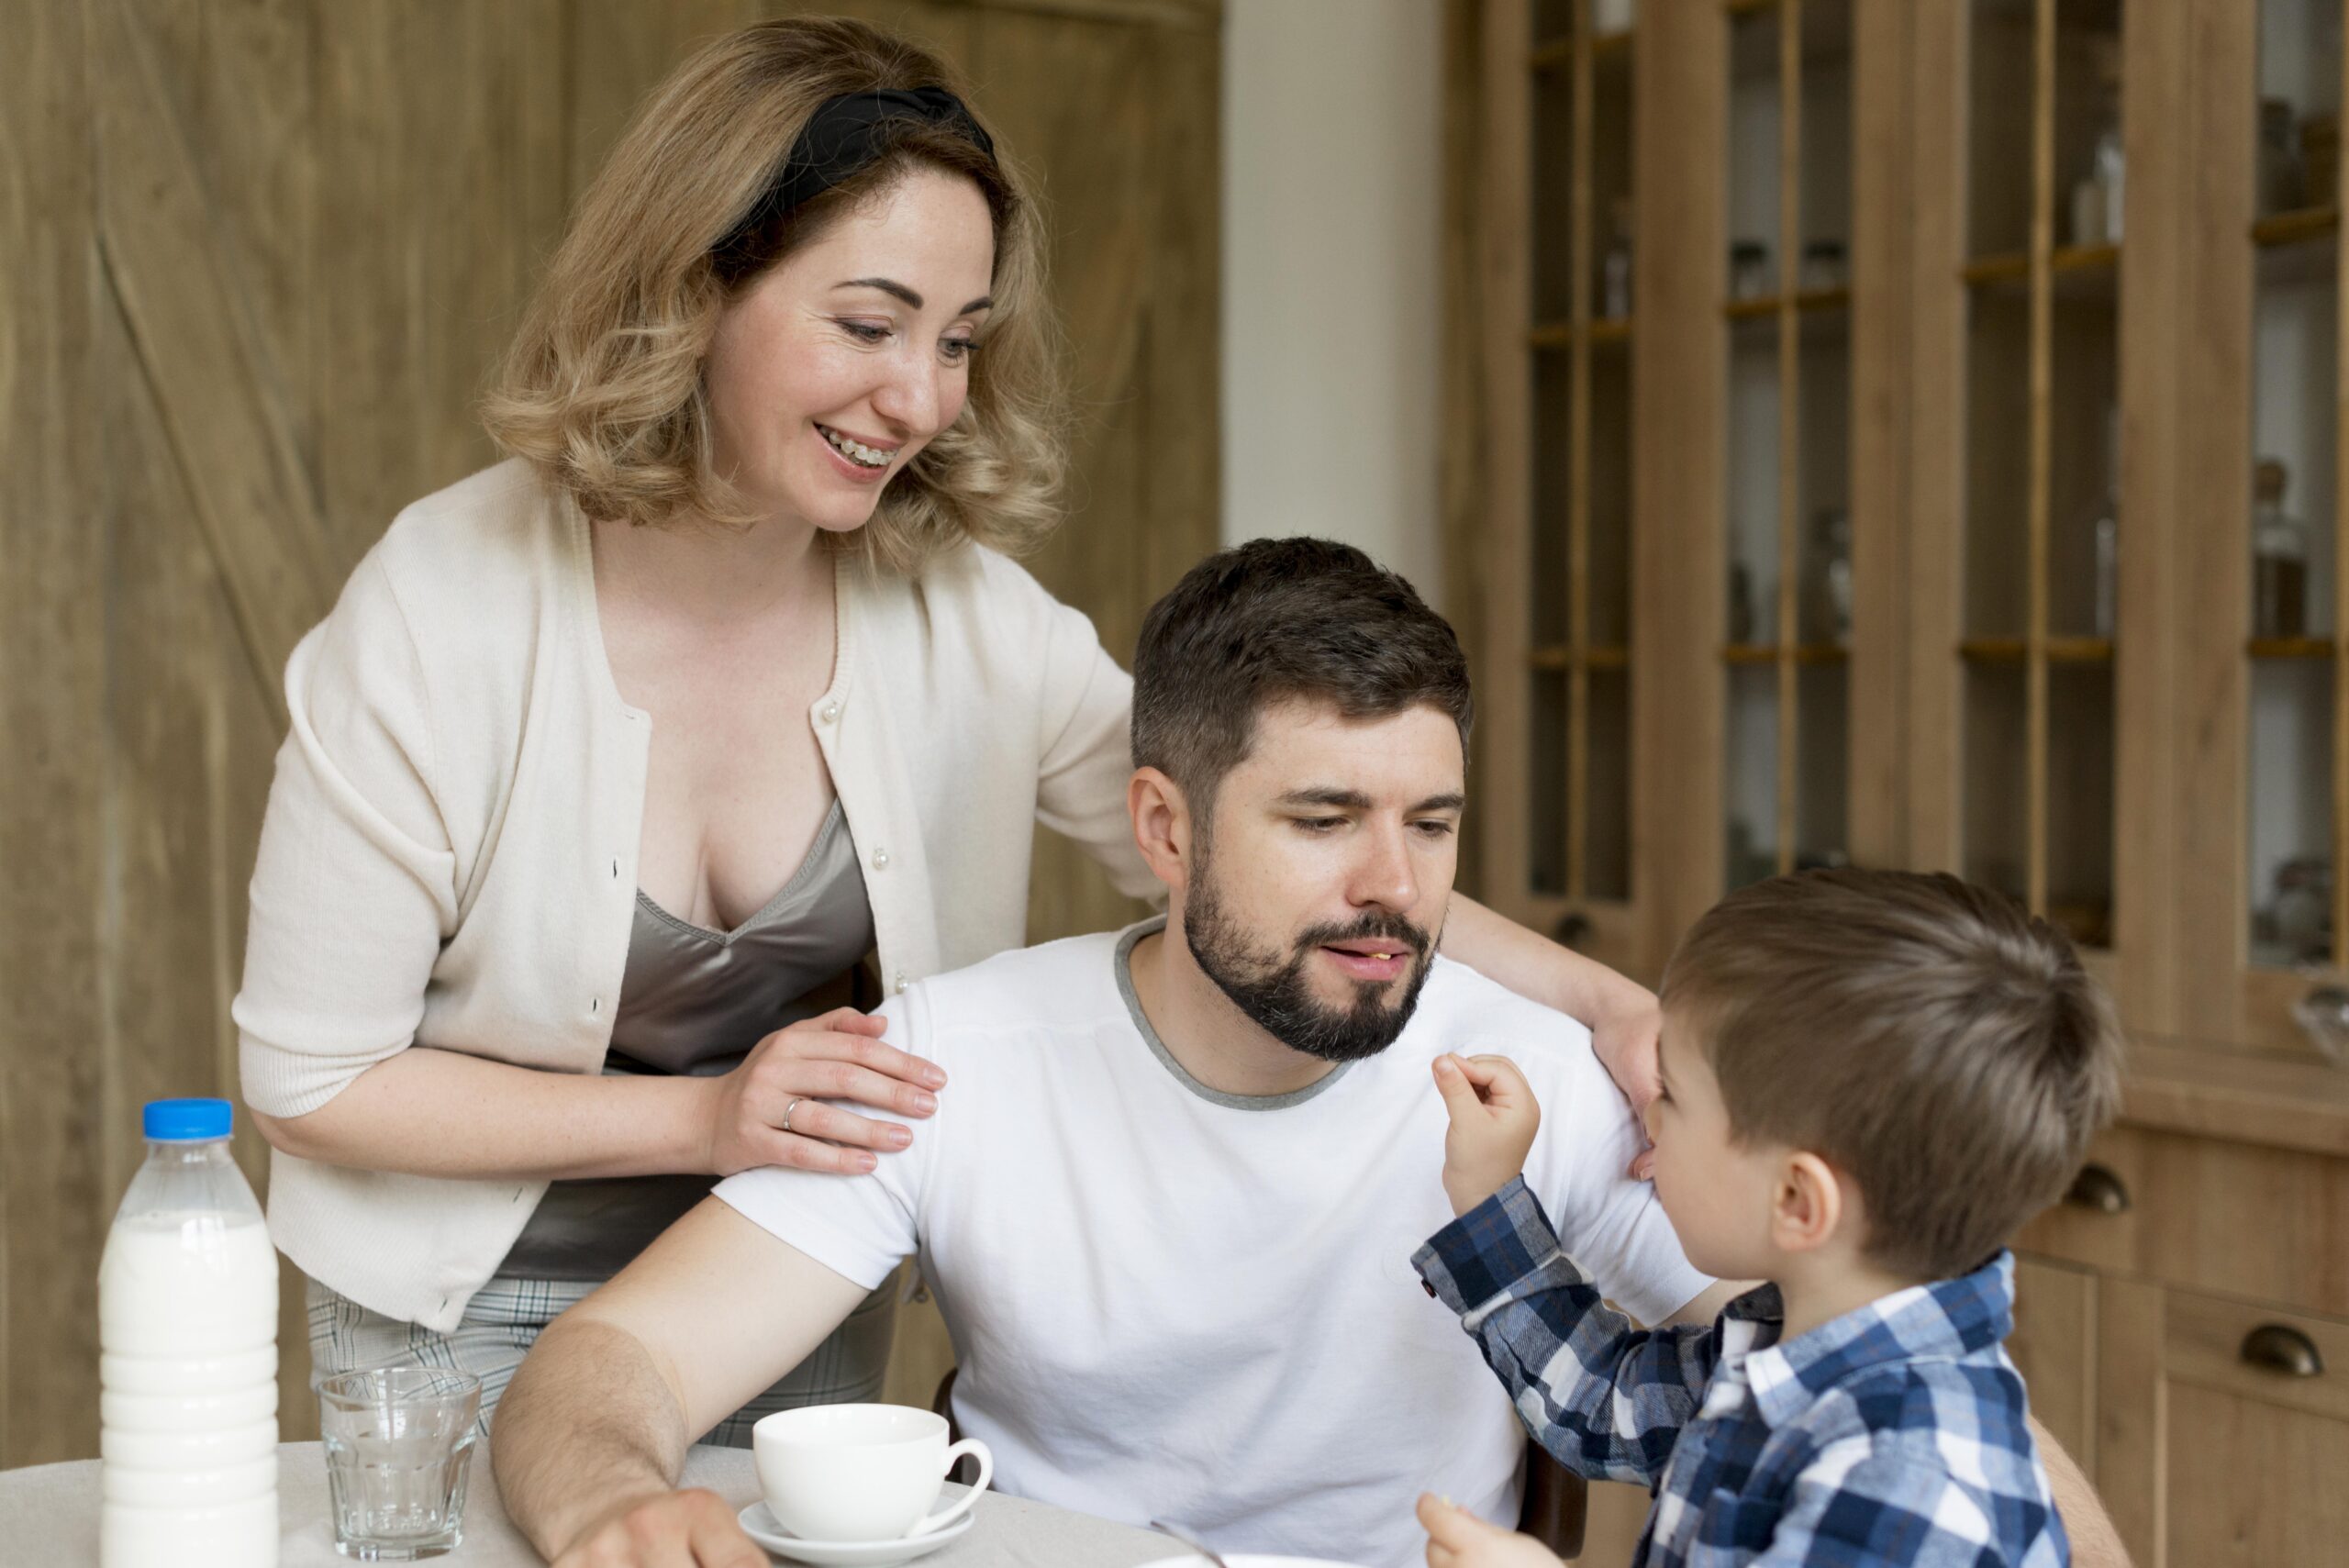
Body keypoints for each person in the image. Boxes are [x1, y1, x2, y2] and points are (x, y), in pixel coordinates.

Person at [231, 17, 1661, 1440]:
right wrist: (705, 1119)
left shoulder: (969, 621)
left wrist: (1598, 1005)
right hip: (454, 1301)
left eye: (958, 340)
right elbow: (311, 1080)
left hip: (798, 1274)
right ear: (693, 289)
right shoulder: (439, 614)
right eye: (867, 325)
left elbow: (1261, 840)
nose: (920, 399)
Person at [492, 539, 1735, 1568]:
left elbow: (1821, 1392)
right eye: (1323, 820)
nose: (1396, 888)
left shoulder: (1543, 1083)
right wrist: (610, 1505)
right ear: (1163, 827)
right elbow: (616, 1359)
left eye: (1432, 824)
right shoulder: (960, 1058)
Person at [1413, 869, 2128, 1568]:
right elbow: (1599, 1399)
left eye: (1677, 1099)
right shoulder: (1783, 1346)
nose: (1648, 1112)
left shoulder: (1906, 1481)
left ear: (1797, 1201)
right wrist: (1491, 1201)